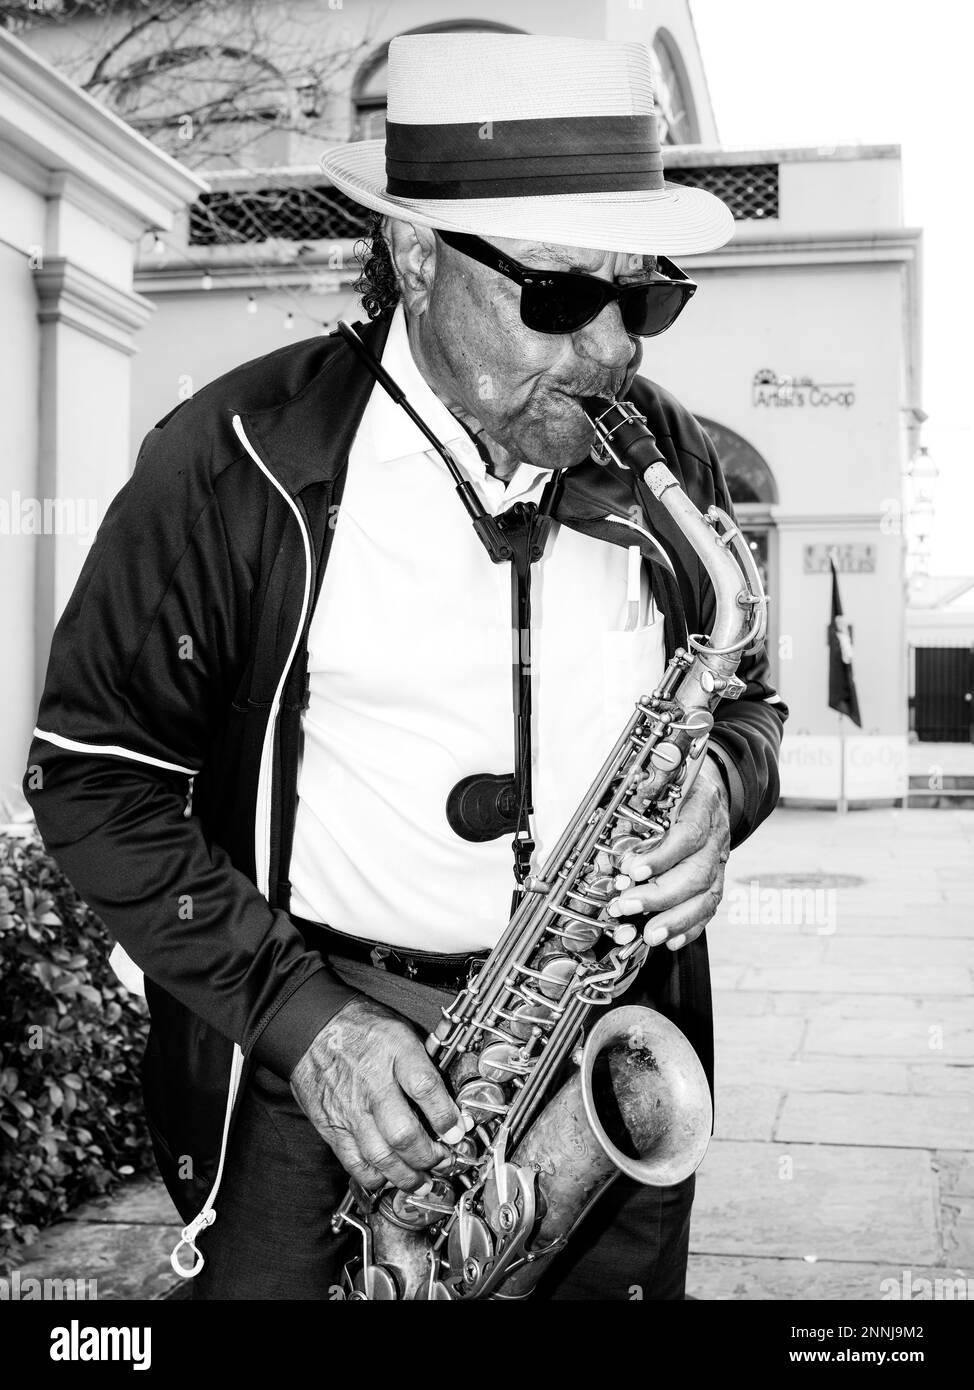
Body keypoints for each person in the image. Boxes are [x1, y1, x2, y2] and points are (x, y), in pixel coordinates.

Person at [24, 31, 787, 1300]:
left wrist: (723, 781)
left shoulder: (666, 459)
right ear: (415, 253)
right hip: (320, 1076)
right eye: (557, 297)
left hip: (595, 1048)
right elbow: (93, 782)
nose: (613, 351)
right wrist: (304, 1025)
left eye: (640, 295)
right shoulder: (230, 463)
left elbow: (745, 696)